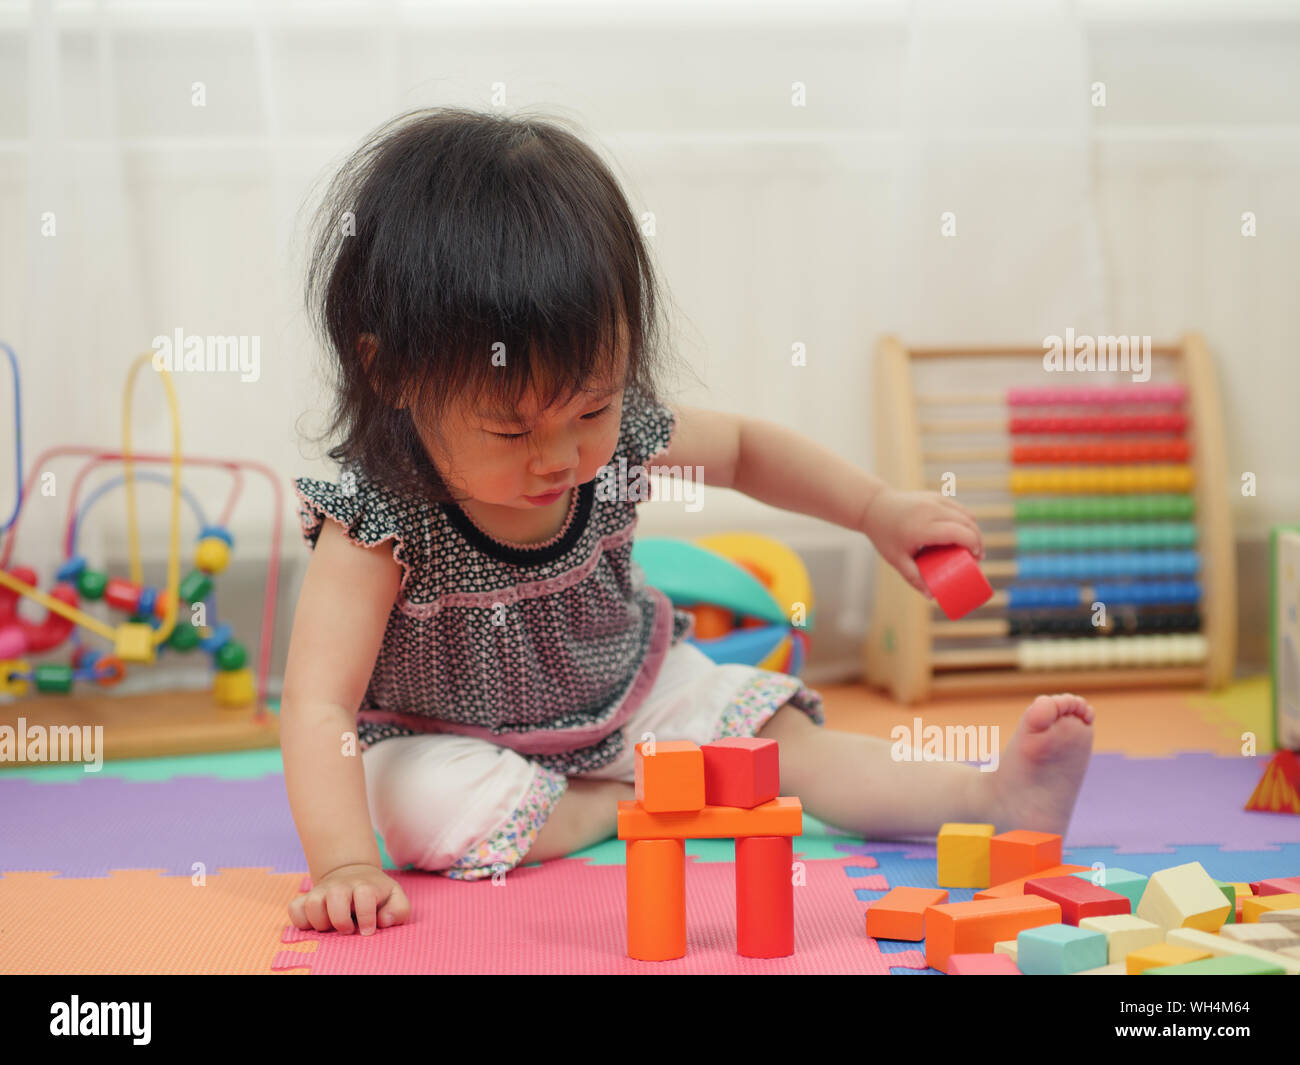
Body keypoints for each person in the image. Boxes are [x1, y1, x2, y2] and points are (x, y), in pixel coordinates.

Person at [282, 108, 1094, 937]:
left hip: (634, 688)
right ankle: (617, 802)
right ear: (389, 373)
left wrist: (874, 509)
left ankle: (991, 795)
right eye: (512, 429)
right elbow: (319, 706)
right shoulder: (379, 519)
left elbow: (744, 450)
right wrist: (345, 863)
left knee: (781, 747)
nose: (559, 457)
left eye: (591, 408)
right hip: (444, 733)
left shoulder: (623, 438)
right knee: (425, 811)